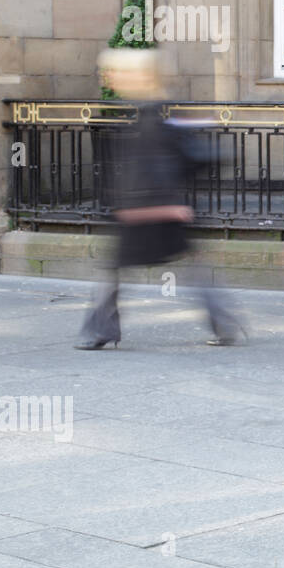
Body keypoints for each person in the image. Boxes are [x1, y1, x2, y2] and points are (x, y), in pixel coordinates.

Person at [75, 48, 244, 350]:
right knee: (191, 268)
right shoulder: (154, 111)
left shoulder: (152, 114)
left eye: (114, 72)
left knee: (113, 270)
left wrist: (142, 204)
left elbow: (154, 164)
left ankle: (100, 331)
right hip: (157, 208)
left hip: (147, 210)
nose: (108, 77)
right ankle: (224, 323)